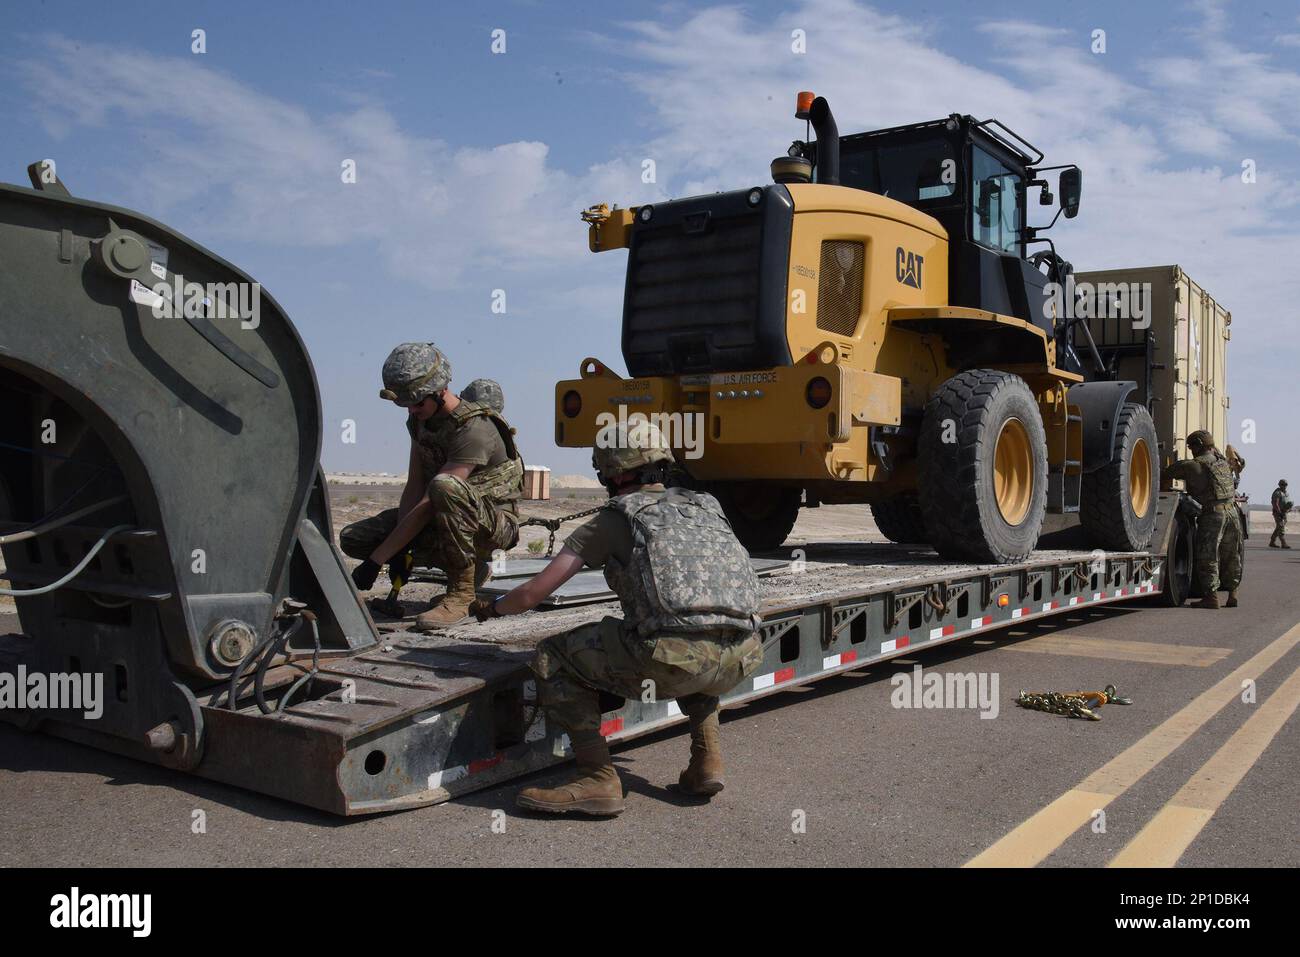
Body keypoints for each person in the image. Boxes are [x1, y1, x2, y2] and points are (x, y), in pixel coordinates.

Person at [468, 419, 764, 817]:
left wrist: (491, 608)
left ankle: (597, 776)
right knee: (700, 635)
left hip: (671, 661)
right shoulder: (707, 507)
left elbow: (533, 593)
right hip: (741, 655)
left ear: (615, 471)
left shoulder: (613, 520)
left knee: (552, 655)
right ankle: (706, 761)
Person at [339, 343, 524, 629]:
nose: (412, 410)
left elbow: (431, 499)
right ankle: (469, 570)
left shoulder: (474, 429)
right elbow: (415, 486)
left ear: (440, 391)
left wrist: (379, 559)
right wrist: (399, 550)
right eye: (406, 405)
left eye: (417, 403)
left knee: (444, 487)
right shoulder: (419, 421)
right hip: (443, 512)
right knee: (354, 538)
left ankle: (461, 595)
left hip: (493, 525)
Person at [1163, 430, 1242, 609]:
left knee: (1208, 555)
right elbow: (1238, 462)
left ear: (1198, 446)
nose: (1191, 450)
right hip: (1232, 512)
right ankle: (1232, 595)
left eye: (1191, 447)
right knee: (1231, 554)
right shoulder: (1223, 463)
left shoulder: (1194, 466)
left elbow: (1168, 472)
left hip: (1214, 514)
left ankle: (1211, 597)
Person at [1270, 479, 1292, 549]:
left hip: (1284, 512)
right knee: (1281, 527)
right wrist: (1279, 513)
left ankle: (1272, 542)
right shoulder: (1277, 493)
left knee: (1279, 528)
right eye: (1282, 484)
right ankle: (1283, 543)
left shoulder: (1286, 493)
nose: (1284, 486)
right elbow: (1275, 504)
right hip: (1278, 513)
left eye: (1285, 485)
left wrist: (1288, 508)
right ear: (1279, 485)